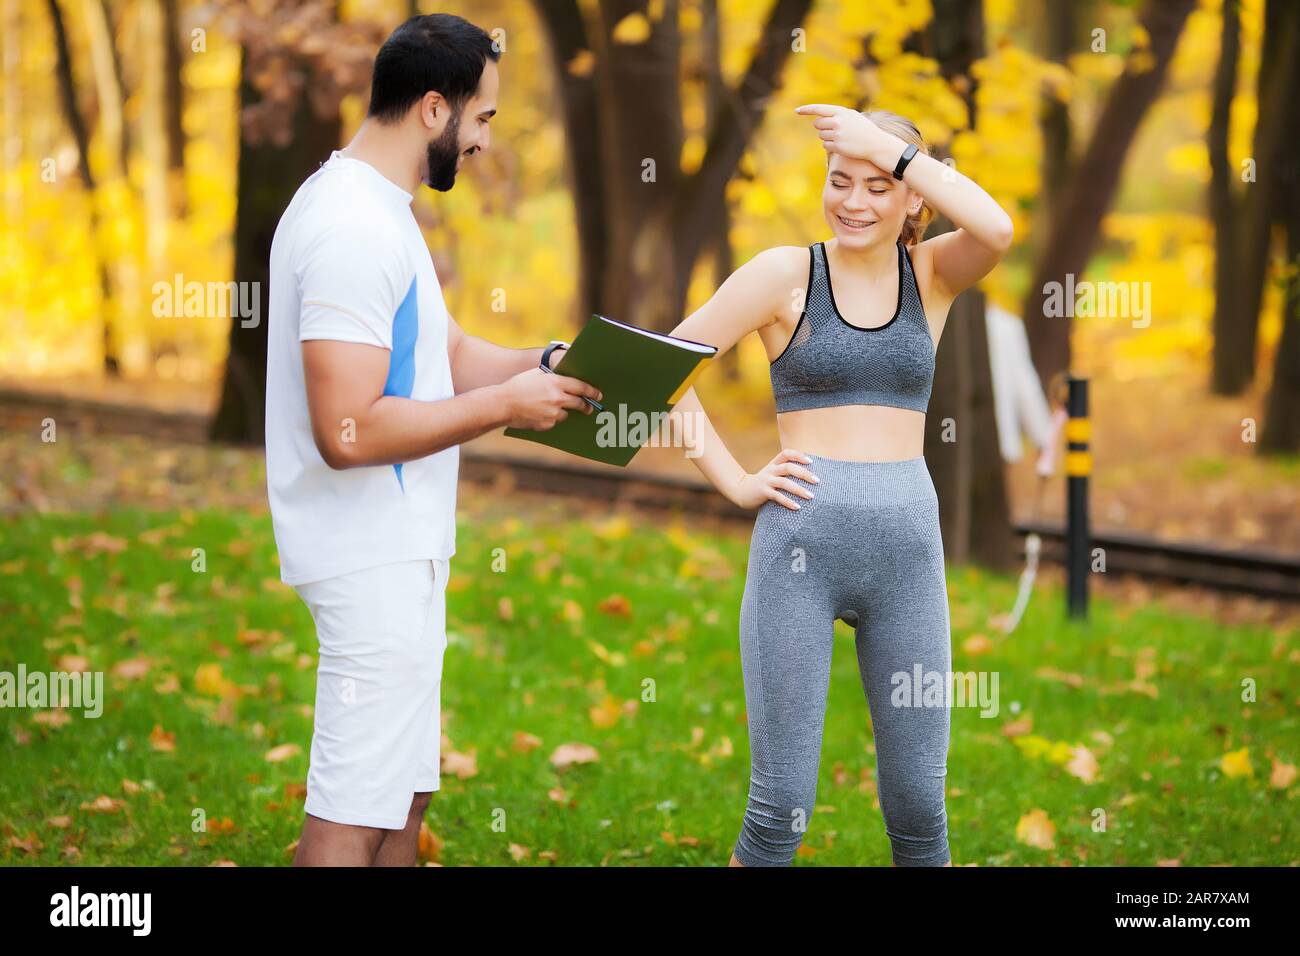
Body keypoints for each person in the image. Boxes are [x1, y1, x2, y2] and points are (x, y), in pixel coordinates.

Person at [263, 13, 601, 866]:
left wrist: (544, 364)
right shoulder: (349, 227)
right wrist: (503, 408)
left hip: (401, 549)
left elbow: (442, 356)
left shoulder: (384, 212)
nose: (485, 140)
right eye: (482, 117)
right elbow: (347, 430)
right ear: (432, 109)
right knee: (351, 817)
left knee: (403, 804)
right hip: (364, 555)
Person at [659, 104, 1014, 866]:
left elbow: (997, 229)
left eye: (878, 186)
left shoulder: (932, 276)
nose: (854, 202)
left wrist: (895, 152)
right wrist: (734, 481)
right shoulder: (786, 275)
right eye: (839, 180)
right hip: (800, 557)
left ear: (913, 197)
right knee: (778, 811)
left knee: (920, 806)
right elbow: (661, 369)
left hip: (908, 563)